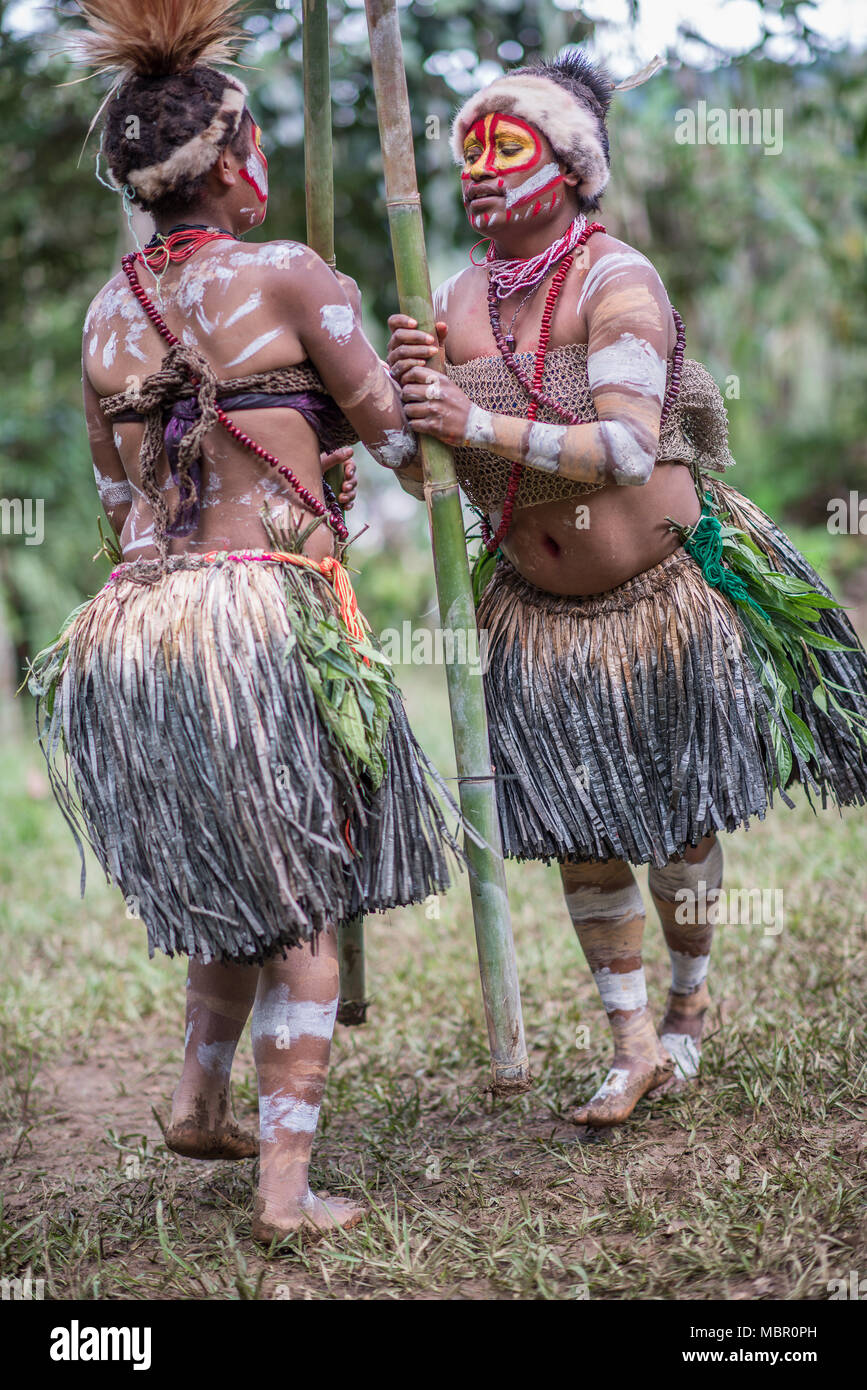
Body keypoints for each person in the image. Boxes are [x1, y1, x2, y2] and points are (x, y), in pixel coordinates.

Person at [33, 0, 458, 1243]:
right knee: (307, 896)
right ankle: (284, 1190)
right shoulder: (290, 273)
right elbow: (404, 452)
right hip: (258, 617)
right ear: (229, 166)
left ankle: (193, 1099)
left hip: (132, 630)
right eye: (257, 142)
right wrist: (423, 390)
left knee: (237, 880)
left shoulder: (105, 317)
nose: (266, 159)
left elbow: (118, 508)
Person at [386, 50, 867, 1127]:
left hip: (659, 606)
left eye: (505, 149)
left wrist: (467, 418)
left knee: (681, 824)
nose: (477, 171)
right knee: (583, 825)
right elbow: (419, 473)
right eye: (468, 148)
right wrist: (398, 402)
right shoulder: (452, 300)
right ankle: (631, 1037)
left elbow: (624, 451)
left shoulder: (617, 279)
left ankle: (689, 1007)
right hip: (541, 618)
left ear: (569, 167)